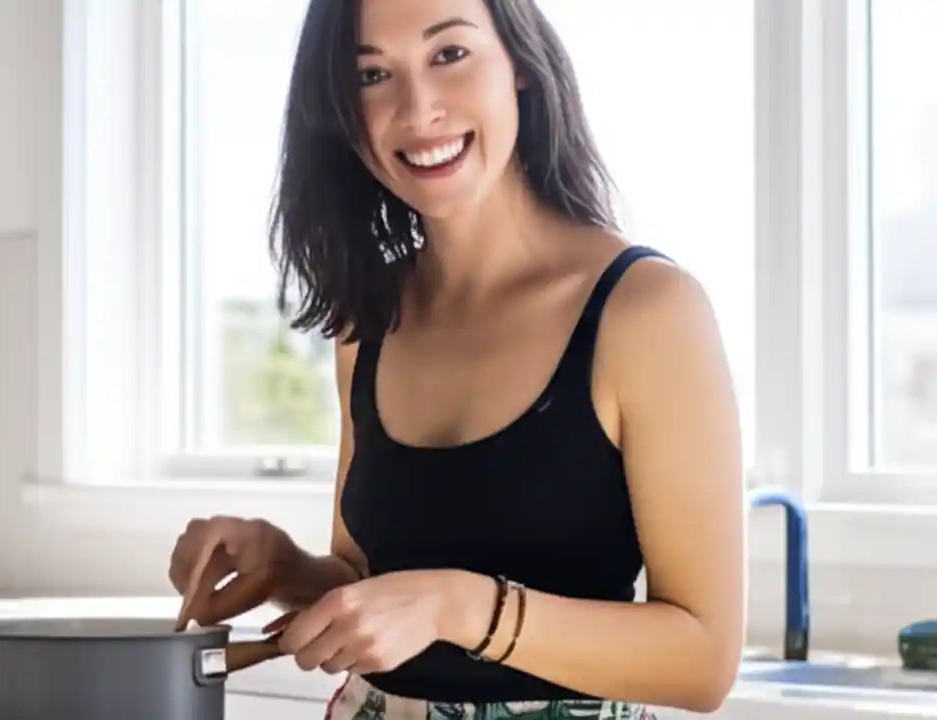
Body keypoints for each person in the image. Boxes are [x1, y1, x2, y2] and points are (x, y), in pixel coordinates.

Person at [168, 0, 745, 717]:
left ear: (522, 66)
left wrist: (465, 605)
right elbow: (373, 582)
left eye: (449, 55)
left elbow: (703, 661)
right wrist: (283, 566)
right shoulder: (370, 319)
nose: (417, 110)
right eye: (373, 74)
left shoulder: (646, 311)